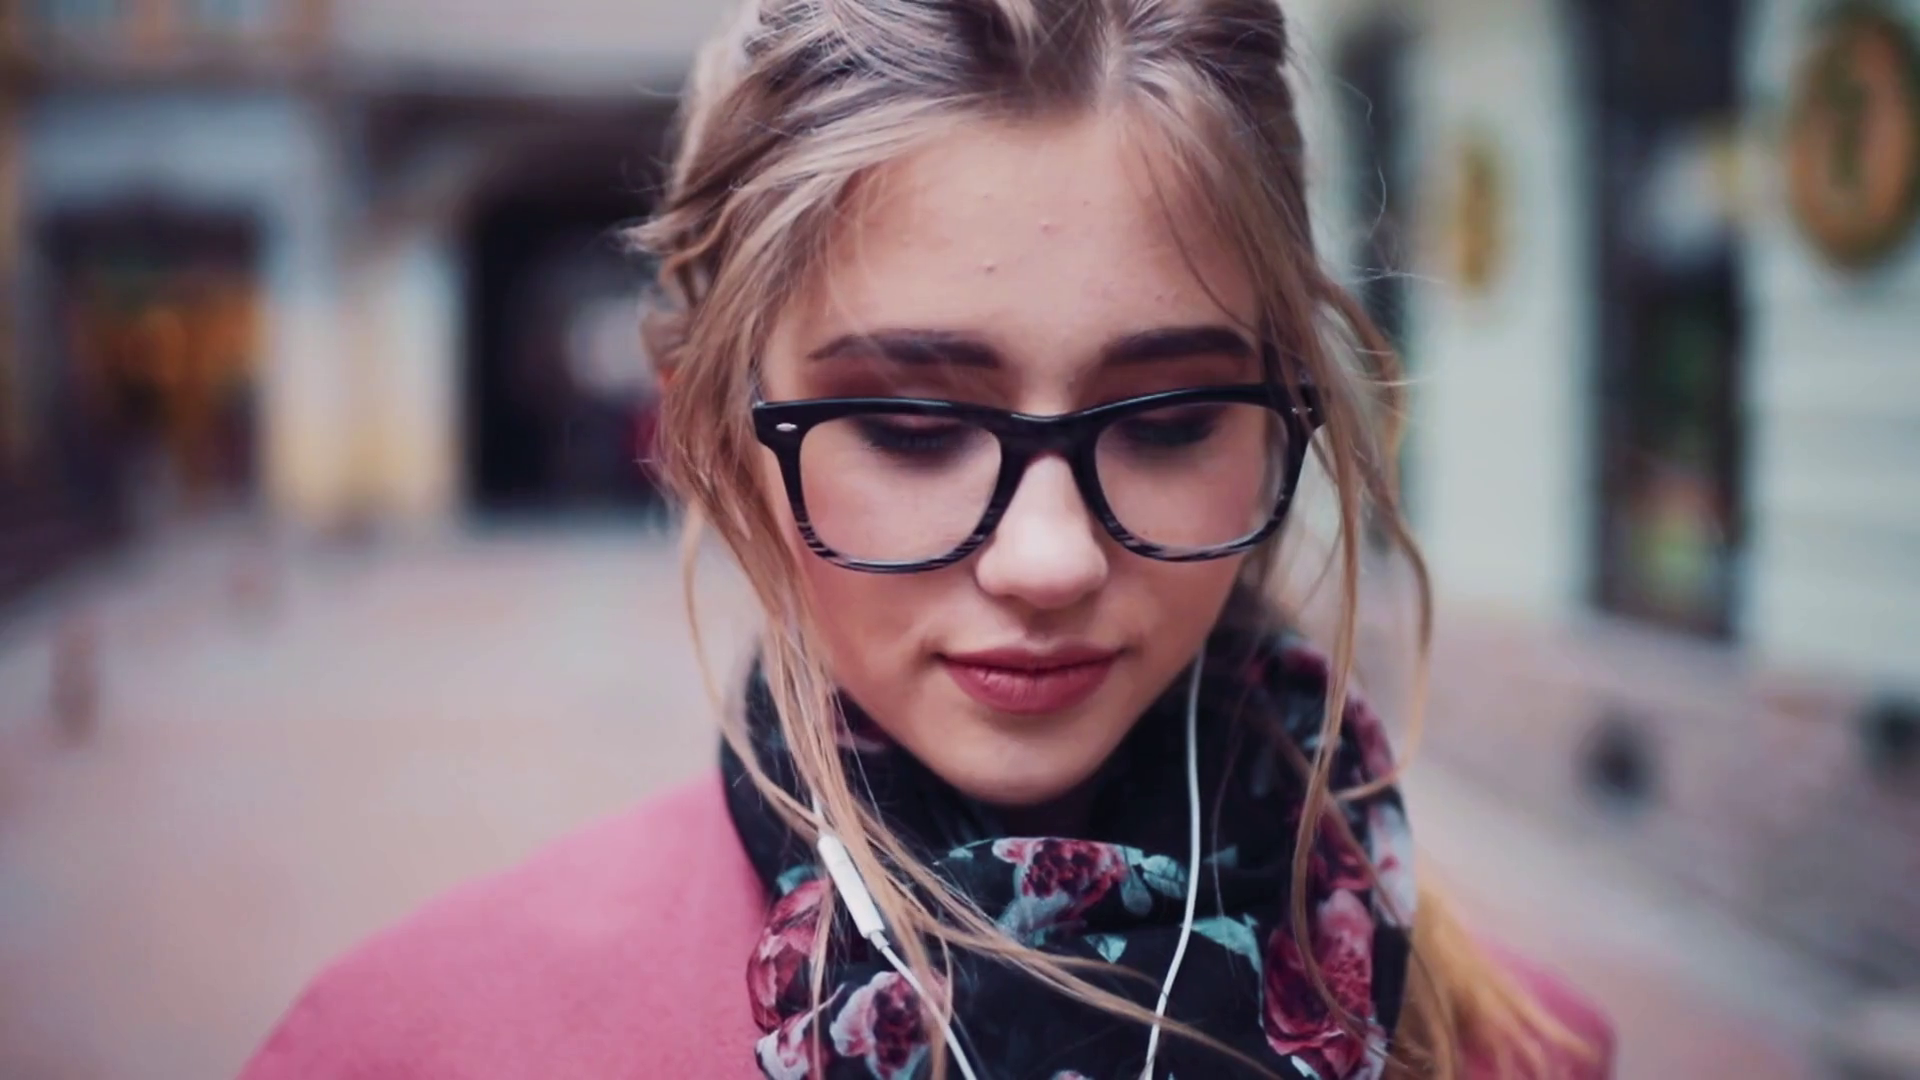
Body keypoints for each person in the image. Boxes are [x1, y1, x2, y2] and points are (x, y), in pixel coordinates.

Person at [240, 1, 1614, 1077]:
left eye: (1173, 419)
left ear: (1285, 417)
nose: (1048, 561)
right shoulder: (417, 1049)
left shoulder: (1520, 1054)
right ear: (716, 430)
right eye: (909, 427)